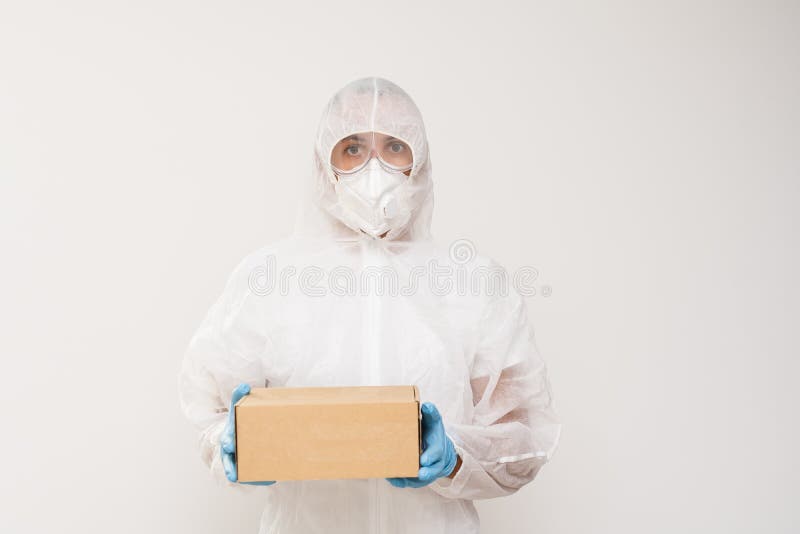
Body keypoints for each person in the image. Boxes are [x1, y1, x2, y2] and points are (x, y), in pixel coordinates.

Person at [177, 76, 562, 533]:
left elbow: (523, 435)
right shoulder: (269, 280)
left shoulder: (473, 286)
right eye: (354, 148)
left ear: (419, 162)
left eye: (394, 147)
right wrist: (232, 441)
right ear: (325, 163)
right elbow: (207, 404)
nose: (373, 167)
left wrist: (455, 455)